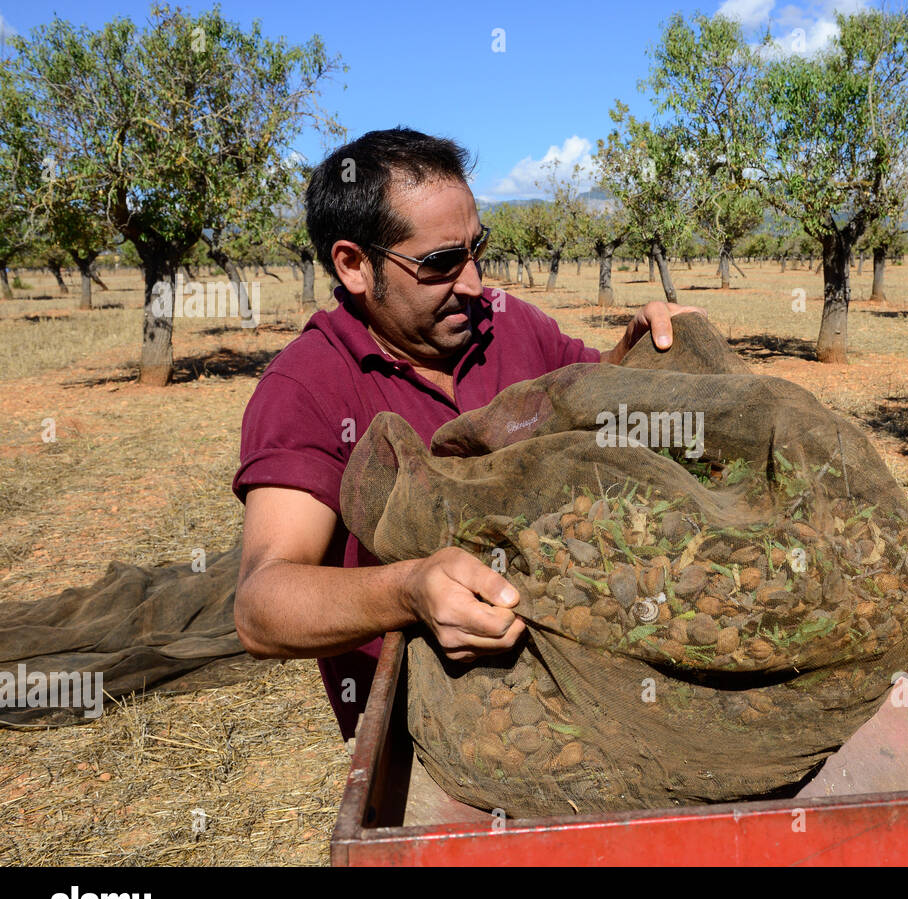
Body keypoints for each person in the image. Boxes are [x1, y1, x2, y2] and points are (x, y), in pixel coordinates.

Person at [231, 128, 703, 740]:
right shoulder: (308, 387)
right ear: (353, 264)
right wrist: (409, 591)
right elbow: (261, 605)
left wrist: (636, 349)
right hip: (440, 728)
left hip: (590, 678)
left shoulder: (509, 326)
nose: (475, 284)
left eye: (476, 248)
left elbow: (592, 397)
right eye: (439, 263)